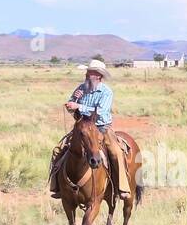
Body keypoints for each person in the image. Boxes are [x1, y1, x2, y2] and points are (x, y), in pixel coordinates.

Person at [50, 59, 131, 200]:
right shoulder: (81, 88)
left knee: (116, 152)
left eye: (90, 73)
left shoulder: (106, 92)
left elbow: (100, 111)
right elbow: (71, 104)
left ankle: (122, 187)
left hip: (101, 128)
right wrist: (71, 104)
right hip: (82, 129)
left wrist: (79, 107)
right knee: (58, 149)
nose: (87, 75)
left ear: (99, 76)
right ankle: (56, 187)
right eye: (87, 72)